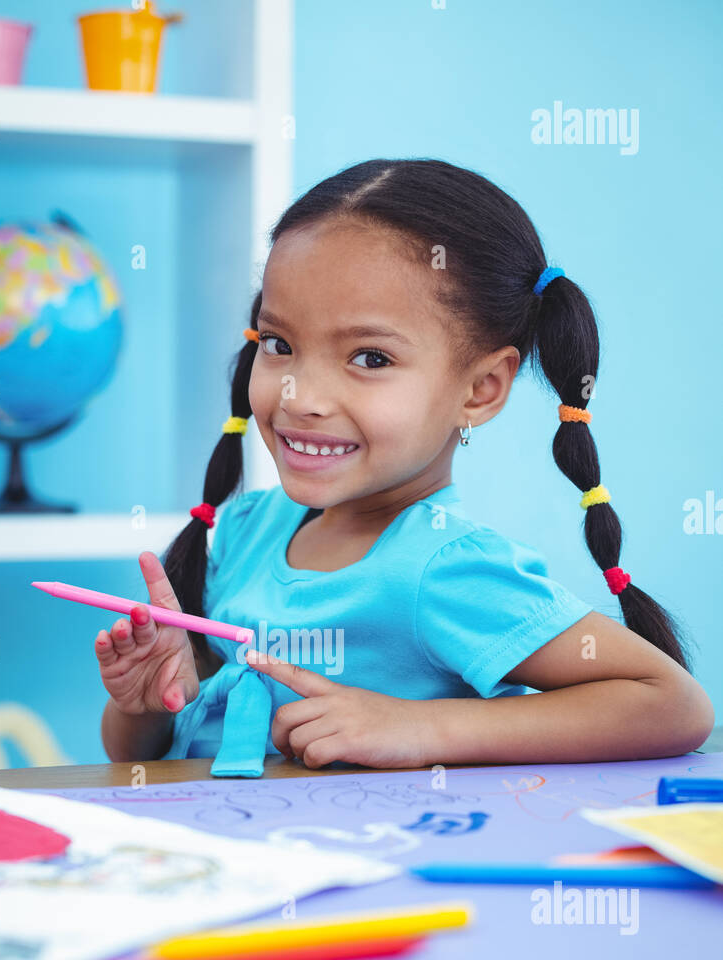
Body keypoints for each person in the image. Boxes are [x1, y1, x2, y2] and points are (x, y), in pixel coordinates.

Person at [97, 158, 714, 777]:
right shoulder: (245, 530)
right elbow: (138, 757)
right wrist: (144, 704)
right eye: (280, 345)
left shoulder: (444, 566)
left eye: (369, 357)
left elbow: (672, 706)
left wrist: (418, 728)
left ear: (480, 390)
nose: (301, 397)